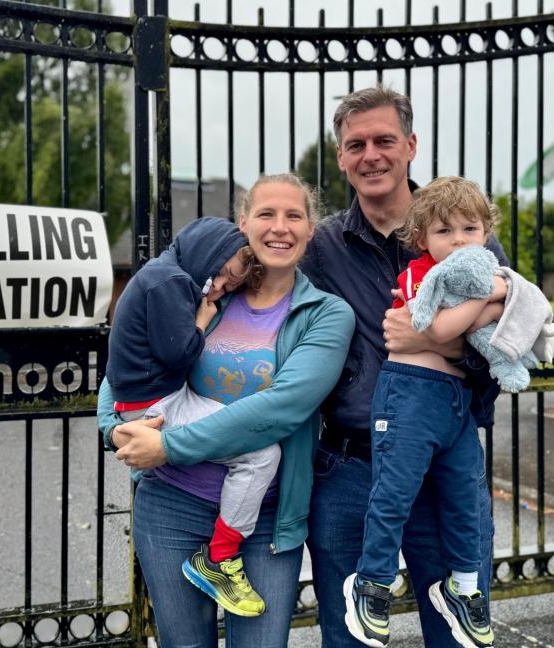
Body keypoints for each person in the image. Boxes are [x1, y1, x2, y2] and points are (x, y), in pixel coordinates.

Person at [98, 173, 355, 648]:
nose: (280, 227)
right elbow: (127, 365)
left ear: (310, 229)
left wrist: (167, 445)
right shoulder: (211, 290)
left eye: (294, 215)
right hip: (172, 503)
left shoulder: (326, 314)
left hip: (265, 517)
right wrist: (113, 427)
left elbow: (281, 409)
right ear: (243, 224)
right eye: (266, 214)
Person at [298, 85, 508, 648]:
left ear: (411, 146)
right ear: (341, 157)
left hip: (442, 464)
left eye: (384, 141)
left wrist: (436, 343)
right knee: (350, 637)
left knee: (459, 635)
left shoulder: (466, 235)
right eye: (356, 145)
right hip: (350, 468)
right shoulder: (321, 248)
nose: (371, 156)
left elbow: (508, 345)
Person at [343, 176, 506, 648]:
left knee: (465, 501)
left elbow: (509, 320)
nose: (458, 241)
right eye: (444, 231)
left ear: (486, 233)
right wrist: (488, 301)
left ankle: (464, 588)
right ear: (422, 239)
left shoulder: (490, 272)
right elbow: (437, 329)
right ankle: (372, 583)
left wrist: (492, 302)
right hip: (411, 396)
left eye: (470, 229)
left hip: (457, 404)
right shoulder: (422, 273)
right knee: (393, 493)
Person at [104, 215, 281, 617]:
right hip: (156, 407)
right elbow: (178, 353)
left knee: (245, 434)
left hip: (159, 399)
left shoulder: (166, 276)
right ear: (210, 252)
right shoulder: (169, 282)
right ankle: (219, 558)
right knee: (261, 454)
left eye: (230, 287)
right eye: (223, 274)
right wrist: (202, 320)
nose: (218, 289)